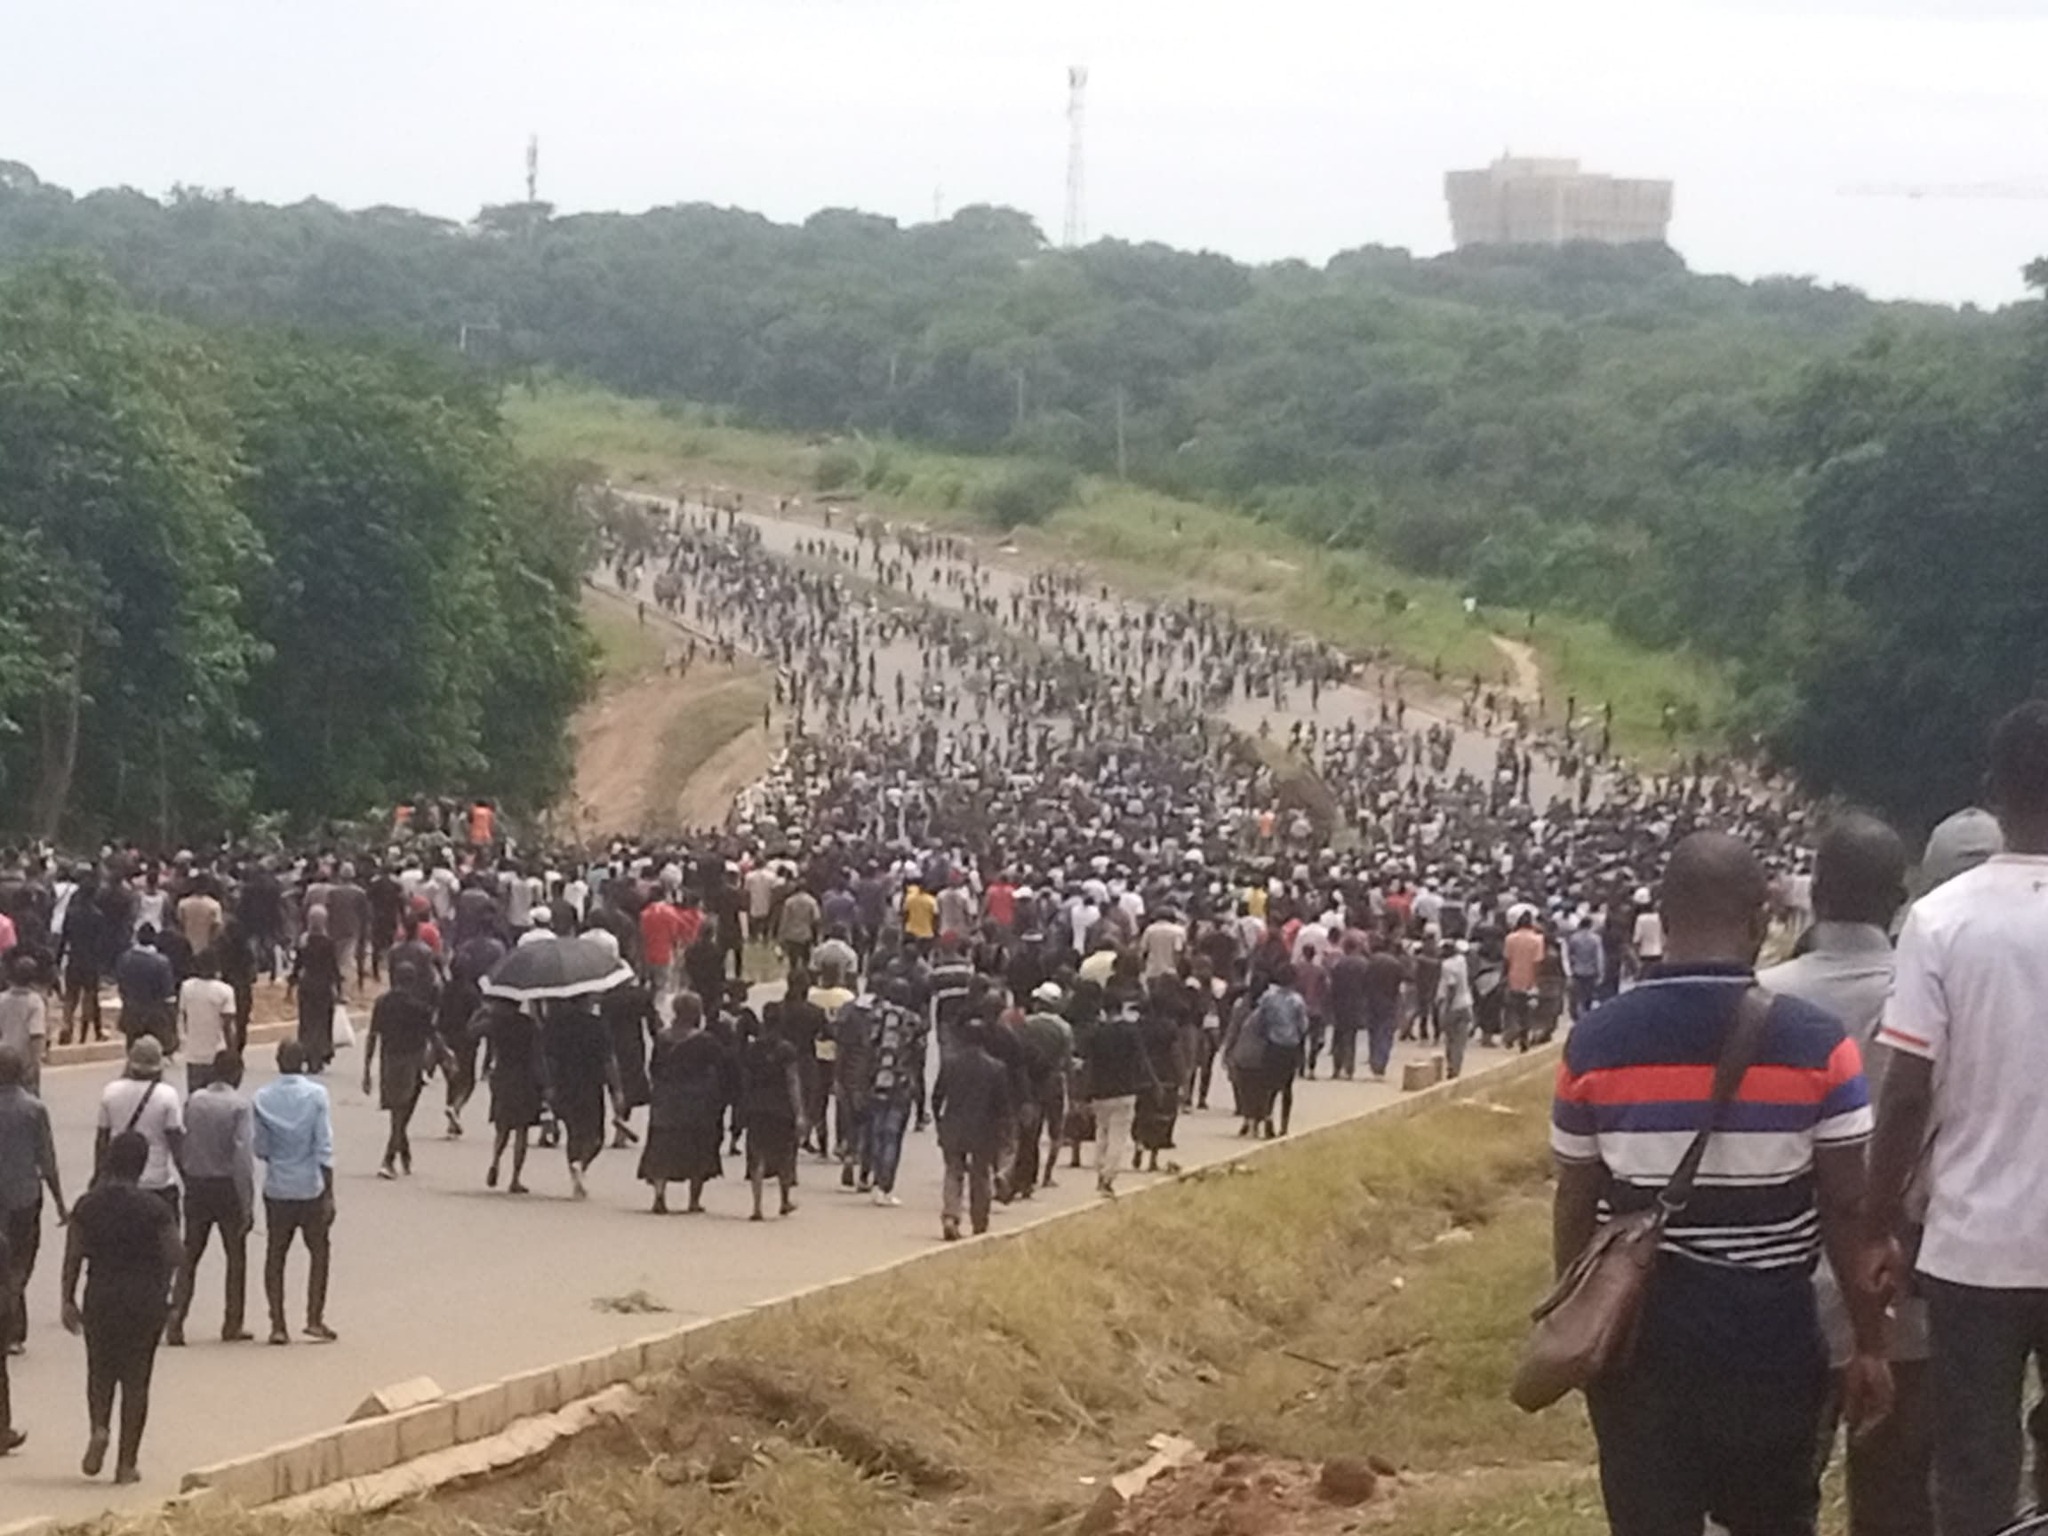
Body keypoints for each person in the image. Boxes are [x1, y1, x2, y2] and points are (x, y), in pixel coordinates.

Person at [1551, 832, 1888, 1536]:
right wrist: (1869, 1343)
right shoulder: (1821, 1045)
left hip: (1641, 1346)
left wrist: (1579, 1330)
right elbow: (1845, 1208)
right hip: (1770, 1343)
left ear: (1662, 919)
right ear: (1762, 920)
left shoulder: (1593, 1043)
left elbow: (1575, 1204)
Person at [1868, 703, 2048, 1536]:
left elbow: (1906, 1090)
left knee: (1974, 1464)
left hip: (1973, 1248)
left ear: (1991, 793)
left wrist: (1879, 1219)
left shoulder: (1942, 920)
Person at [1758, 811, 1919, 1536]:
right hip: (1904, 1285)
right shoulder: (1929, 996)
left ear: (1814, 893)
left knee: (1776, 1498)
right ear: (1901, 897)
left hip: (1782, 1288)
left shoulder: (1759, 1001)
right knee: (1895, 1499)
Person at [61, 1130, 180, 1484]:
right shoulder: (155, 1208)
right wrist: (172, 1296)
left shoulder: (87, 1204)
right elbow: (175, 1254)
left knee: (99, 1371)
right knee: (136, 1380)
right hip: (145, 1299)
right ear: (141, 1164)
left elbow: (73, 1256)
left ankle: (99, 1428)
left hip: (101, 1295)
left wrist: (67, 1298)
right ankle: (126, 1464)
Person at [251, 1040, 337, 1345]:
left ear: (277, 1062)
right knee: (319, 1252)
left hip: (277, 1186)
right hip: (310, 1185)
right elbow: (324, 1147)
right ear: (302, 1062)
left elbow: (260, 1148)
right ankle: (314, 1318)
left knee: (276, 1254)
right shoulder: (316, 1095)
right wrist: (329, 1192)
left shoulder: (262, 1098)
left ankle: (278, 1324)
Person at [166, 1050, 254, 1348]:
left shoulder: (194, 1101)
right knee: (236, 1257)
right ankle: (232, 1322)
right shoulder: (239, 1106)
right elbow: (242, 1158)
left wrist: (187, 1173)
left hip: (197, 1185)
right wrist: (247, 1202)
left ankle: (176, 1319)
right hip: (226, 1187)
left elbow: (181, 1140)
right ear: (236, 1074)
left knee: (189, 1255)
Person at [639, 993, 730, 1215]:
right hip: (697, 1101)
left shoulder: (662, 1038)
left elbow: (654, 1068)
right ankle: (693, 1200)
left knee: (661, 1147)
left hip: (666, 1099)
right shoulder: (705, 1041)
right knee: (697, 1147)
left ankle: (659, 1196)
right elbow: (722, 1067)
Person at [0, 1046, 64, 1355]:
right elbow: (47, 1160)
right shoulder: (34, 1109)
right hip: (25, 1197)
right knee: (20, 1262)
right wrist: (61, 1203)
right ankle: (13, 1327)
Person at [931, 1020, 1012, 1241]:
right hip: (983, 1128)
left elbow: (937, 1097)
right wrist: (1003, 1132)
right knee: (980, 1176)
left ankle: (951, 1216)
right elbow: (1002, 1106)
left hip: (954, 1125)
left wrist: (939, 1121)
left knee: (953, 1172)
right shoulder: (996, 1068)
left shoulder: (950, 1064)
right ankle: (979, 1222)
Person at [362, 963, 440, 1179]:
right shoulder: (419, 1008)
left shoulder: (382, 1003)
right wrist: (445, 1057)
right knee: (402, 1112)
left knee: (397, 1112)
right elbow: (432, 1036)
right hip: (412, 1063)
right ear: (413, 982)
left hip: (388, 1061)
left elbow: (372, 1036)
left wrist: (367, 1070)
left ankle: (402, 1151)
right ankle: (389, 1159)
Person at [95, 1038, 184, 1217]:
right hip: (158, 1183)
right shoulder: (167, 1095)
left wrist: (99, 1176)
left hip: (119, 1184)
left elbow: (102, 1141)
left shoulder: (110, 1092)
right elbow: (176, 1145)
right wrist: (187, 1178)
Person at [739, 1012, 805, 1221]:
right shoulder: (786, 1050)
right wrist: (799, 1112)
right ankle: (784, 1200)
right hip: (781, 1108)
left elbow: (746, 1079)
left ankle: (757, 1206)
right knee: (784, 1156)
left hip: (757, 1106)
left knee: (757, 1156)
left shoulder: (752, 1049)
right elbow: (792, 1081)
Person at [477, 997, 545, 1194]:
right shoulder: (529, 1024)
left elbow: (471, 1031)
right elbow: (537, 1054)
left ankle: (495, 1161)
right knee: (522, 1130)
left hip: (502, 1075)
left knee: (502, 1127)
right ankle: (515, 1177)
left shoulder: (496, 1023)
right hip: (525, 1078)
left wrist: (482, 1012)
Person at [287, 905, 344, 1072]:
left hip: (306, 985)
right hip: (324, 986)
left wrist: (290, 987)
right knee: (322, 1022)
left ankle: (304, 1051)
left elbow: (297, 966)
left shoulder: (304, 942)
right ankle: (319, 1053)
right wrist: (339, 989)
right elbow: (334, 968)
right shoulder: (328, 943)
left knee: (306, 1021)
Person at [176, 952, 236, 1094]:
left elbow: (184, 1015)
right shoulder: (225, 991)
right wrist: (233, 1052)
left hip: (193, 1053)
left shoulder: (186, 987)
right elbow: (228, 1026)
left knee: (195, 1097)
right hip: (217, 1054)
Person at [0, 955, 45, 1096]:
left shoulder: (2, 999)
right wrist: (35, 1067)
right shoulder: (35, 1002)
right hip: (24, 1064)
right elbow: (36, 1037)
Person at [1501, 912, 1544, 1050]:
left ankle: (1510, 1035)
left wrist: (1505, 976)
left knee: (1512, 1009)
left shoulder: (1510, 938)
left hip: (1513, 977)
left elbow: (1507, 959)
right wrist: (1535, 981)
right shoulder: (1537, 940)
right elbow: (1537, 962)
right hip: (1530, 979)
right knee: (1526, 1011)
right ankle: (1523, 1037)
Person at [1564, 915, 1605, 1021]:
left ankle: (1577, 1016)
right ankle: (1586, 1015)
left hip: (1577, 971)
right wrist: (1601, 973)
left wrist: (1569, 970)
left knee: (1578, 996)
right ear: (1590, 925)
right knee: (1588, 995)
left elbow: (1568, 955)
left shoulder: (1573, 938)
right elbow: (1599, 957)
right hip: (1591, 971)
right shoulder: (1596, 939)